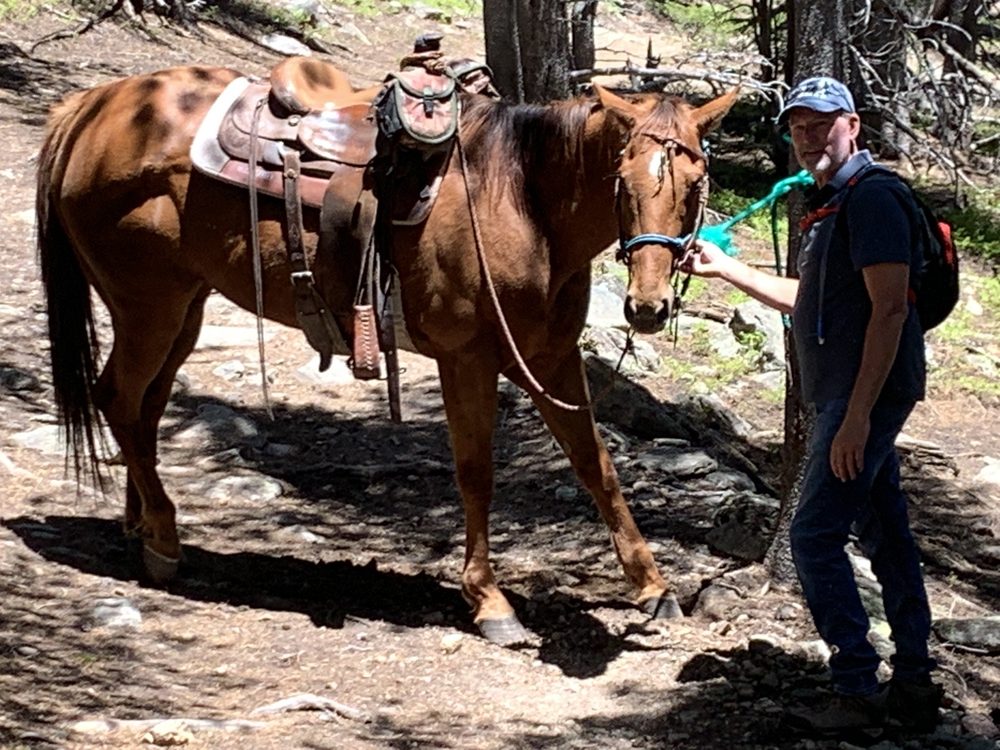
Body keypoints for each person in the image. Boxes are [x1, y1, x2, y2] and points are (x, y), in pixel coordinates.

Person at [683, 76, 942, 733]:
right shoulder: (830, 203)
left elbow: (889, 309)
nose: (807, 137)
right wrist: (725, 270)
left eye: (820, 124)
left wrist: (856, 415)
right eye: (797, 126)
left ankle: (856, 689)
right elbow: (810, 297)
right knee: (886, 534)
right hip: (848, 393)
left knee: (813, 534)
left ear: (851, 124)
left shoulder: (873, 197)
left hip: (866, 395)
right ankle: (913, 683)